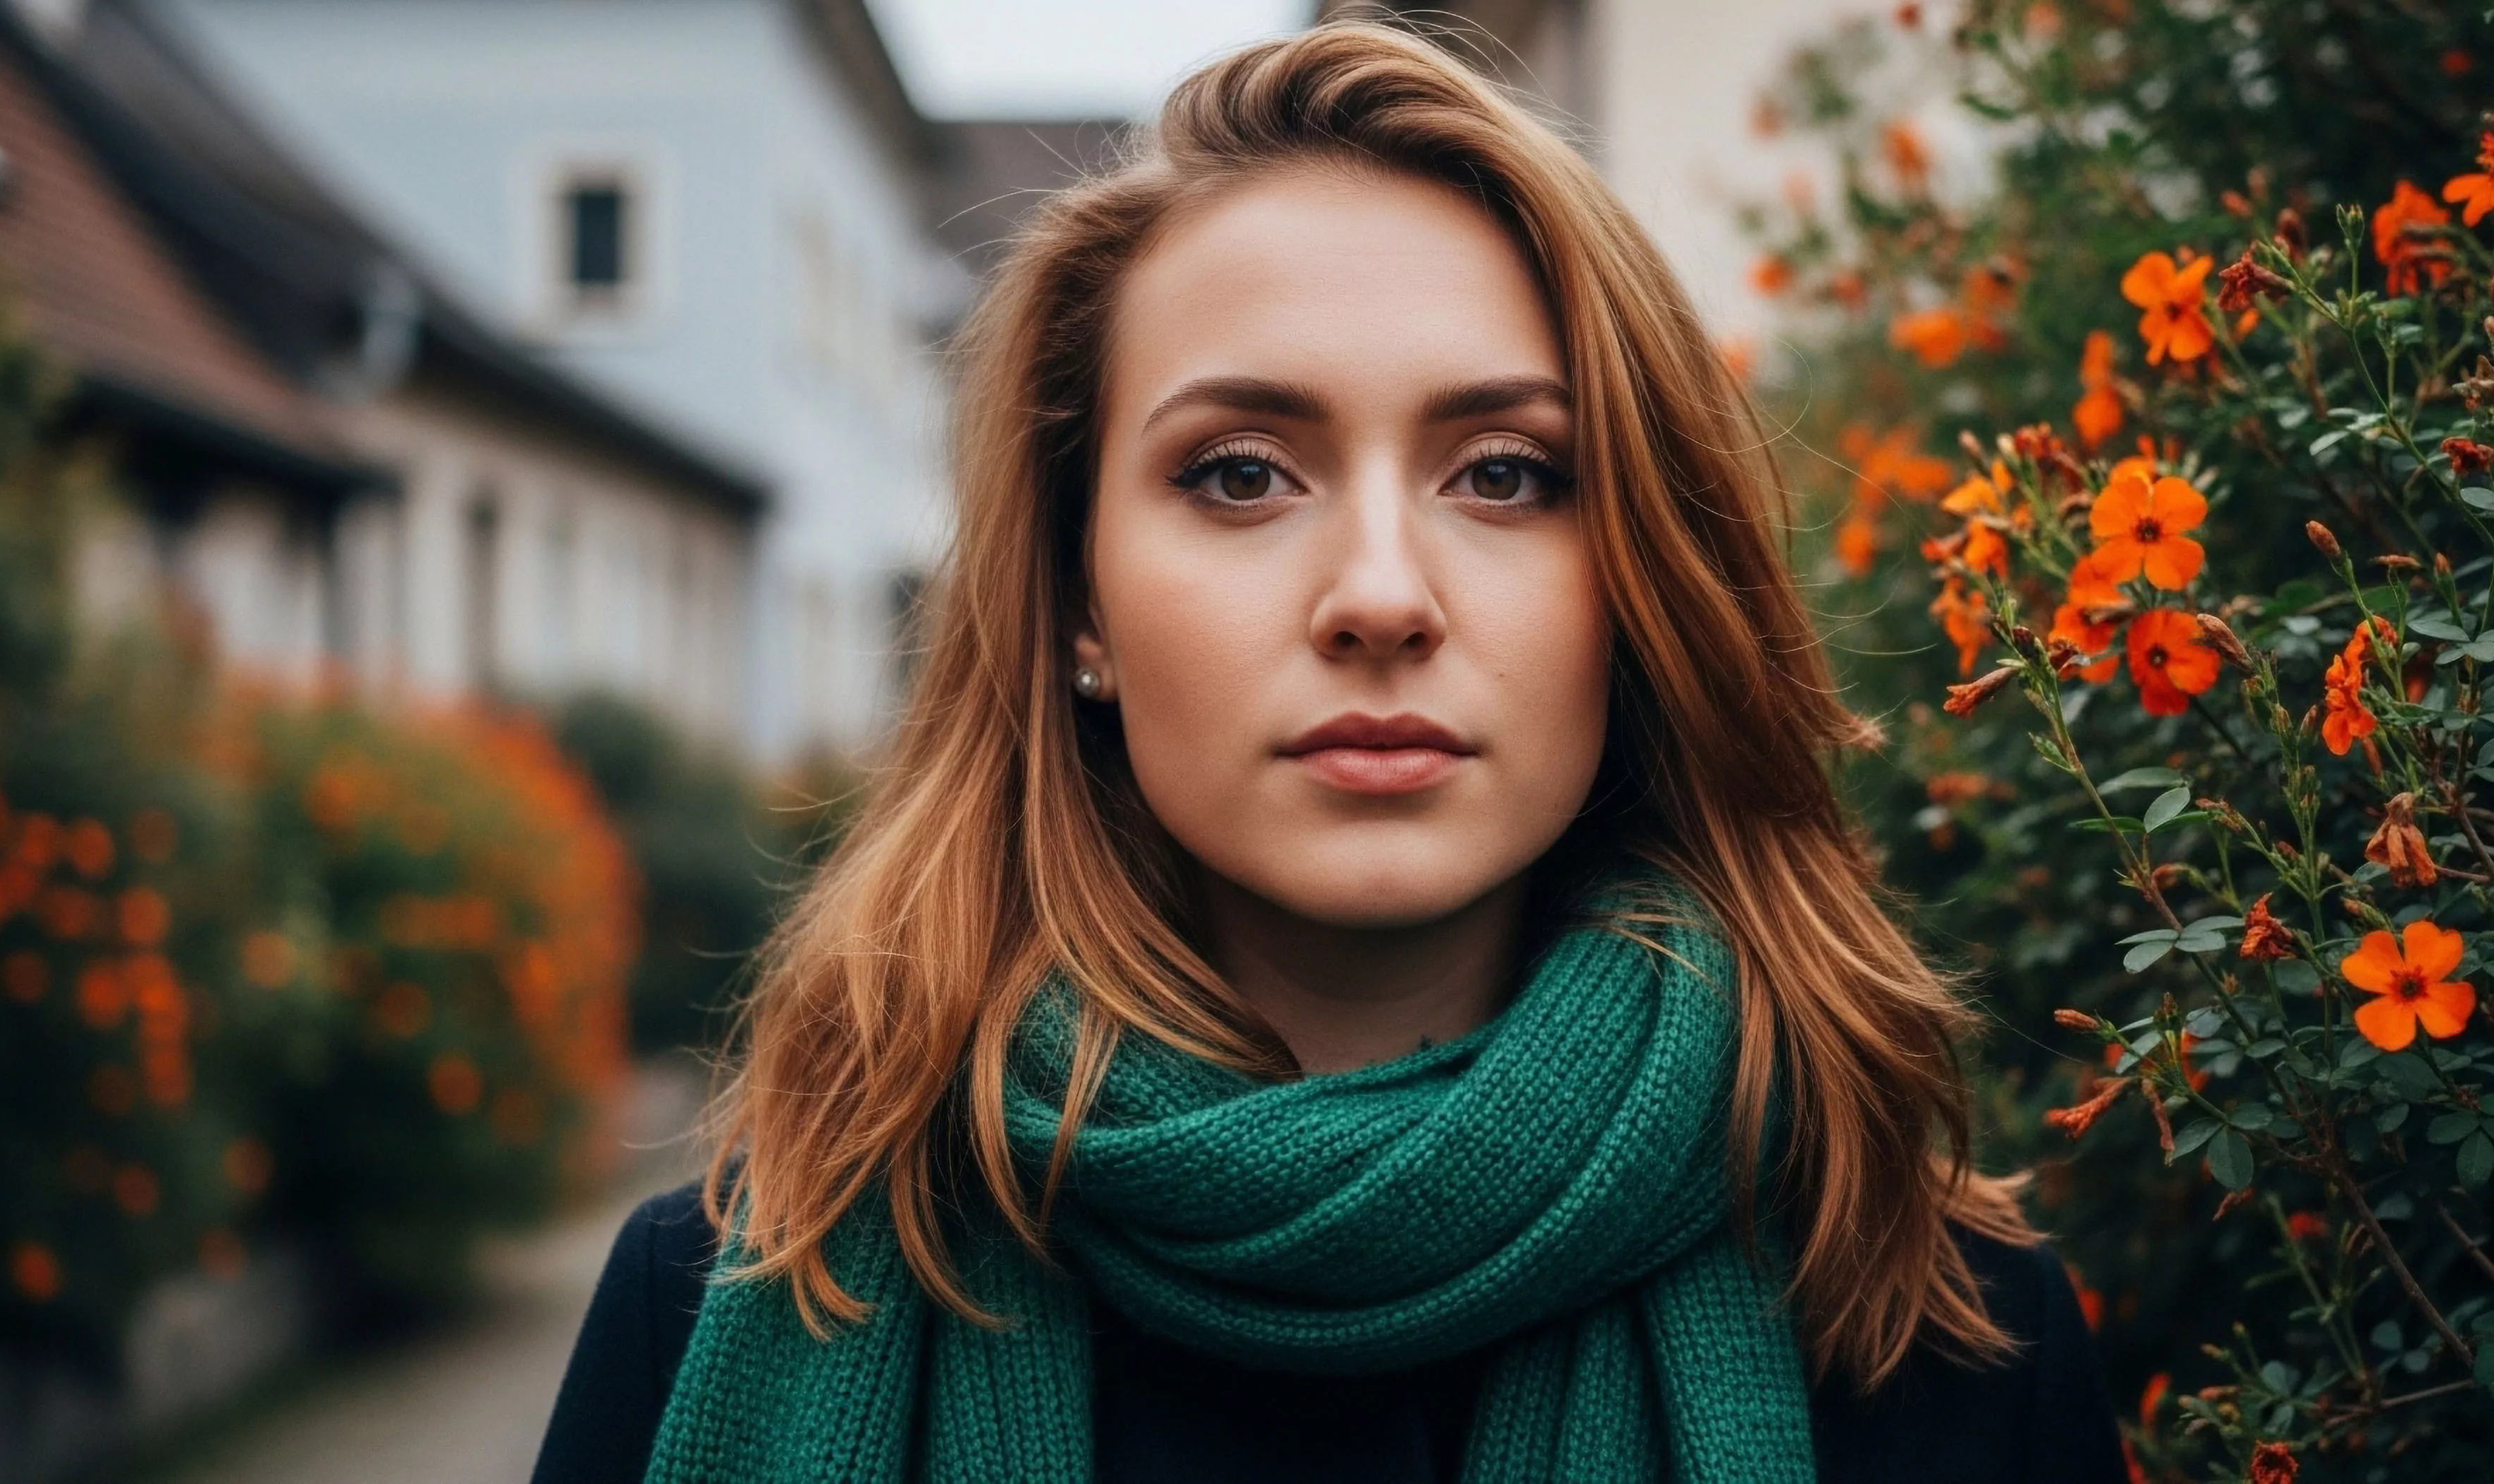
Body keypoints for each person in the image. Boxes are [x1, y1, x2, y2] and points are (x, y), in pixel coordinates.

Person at [534, 22, 2126, 1484]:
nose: (1378, 596)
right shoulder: (721, 1301)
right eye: (1241, 474)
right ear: (1076, 596)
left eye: (1504, 473)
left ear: (1640, 579)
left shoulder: (1944, 1339)